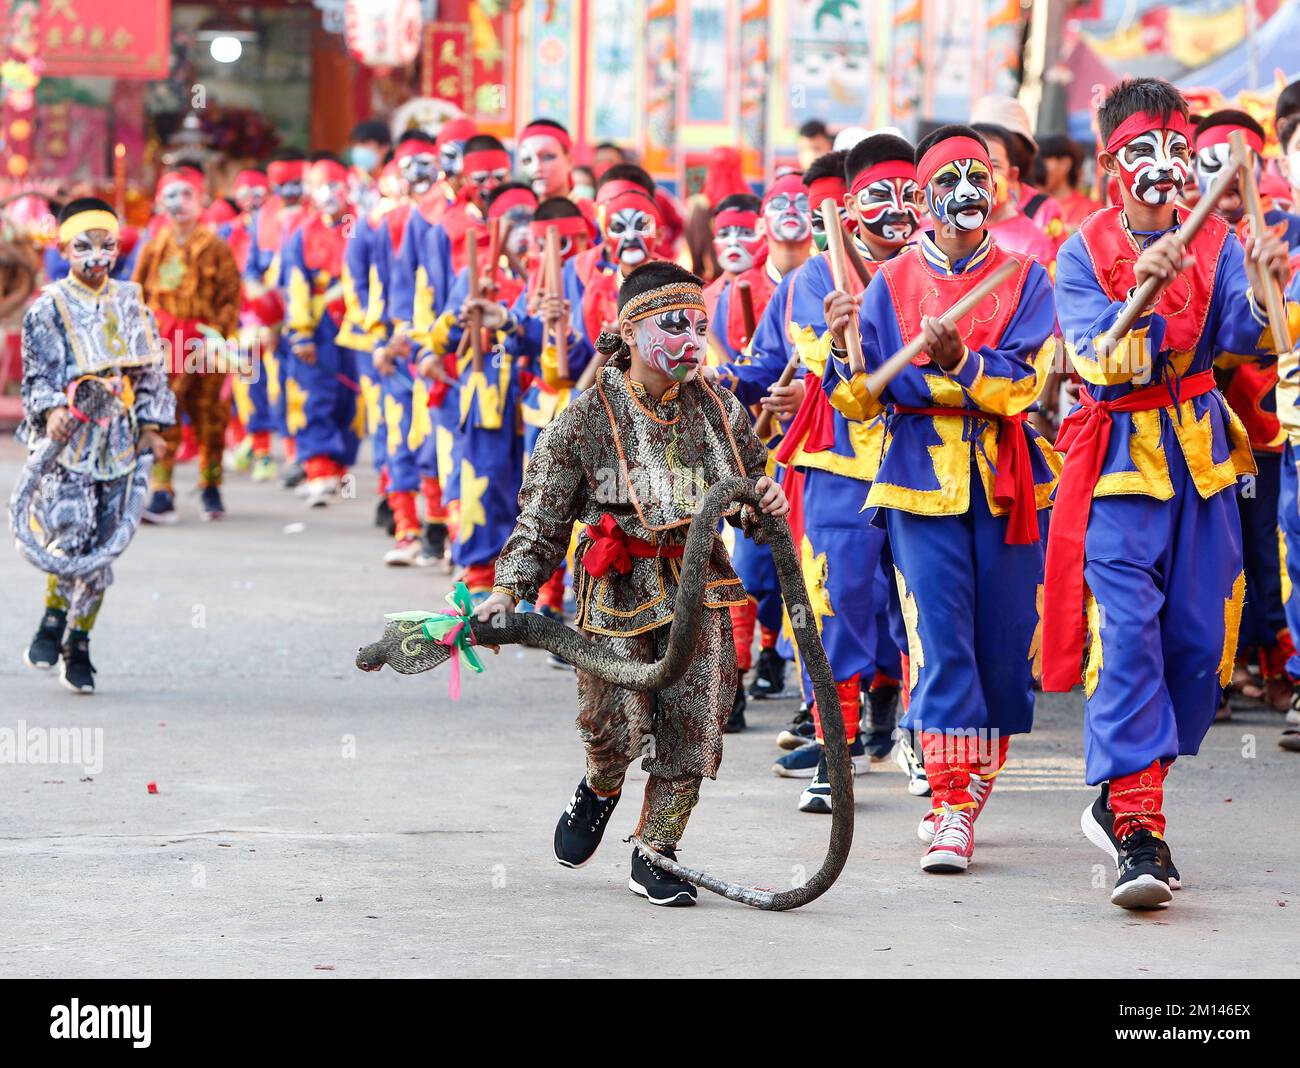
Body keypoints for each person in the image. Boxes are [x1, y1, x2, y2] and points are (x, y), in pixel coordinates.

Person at [1043, 78, 1296, 908]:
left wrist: (1266, 286)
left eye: (1176, 152)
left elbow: (1249, 341)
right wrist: (1135, 296)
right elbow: (1094, 359)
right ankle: (1139, 829)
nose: (1165, 168)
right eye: (1145, 152)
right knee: (1128, 640)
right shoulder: (1080, 249)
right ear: (1115, 161)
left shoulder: (1219, 237)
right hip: (1115, 464)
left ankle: (1125, 790)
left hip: (1200, 460)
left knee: (1197, 643)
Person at [477, 260, 788, 906]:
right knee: (614, 724)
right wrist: (509, 591)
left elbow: (752, 490)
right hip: (617, 589)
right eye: (675, 325)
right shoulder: (586, 417)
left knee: (697, 720)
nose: (692, 341)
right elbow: (541, 519)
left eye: (701, 326)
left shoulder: (720, 408)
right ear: (631, 330)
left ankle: (657, 850)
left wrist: (766, 502)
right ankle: (601, 783)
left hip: (698, 586)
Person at [825, 125, 1059, 875]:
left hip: (1007, 480)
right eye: (948, 178)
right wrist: (845, 350)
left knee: (1002, 646)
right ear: (923, 197)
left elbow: (1024, 386)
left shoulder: (1027, 277)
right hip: (920, 480)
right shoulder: (889, 285)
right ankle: (950, 805)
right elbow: (860, 402)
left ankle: (968, 791)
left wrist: (960, 365)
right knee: (941, 639)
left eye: (978, 174)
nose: (966, 189)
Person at [15, 198, 174, 693]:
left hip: (118, 444)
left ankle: (78, 642)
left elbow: (150, 371)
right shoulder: (47, 309)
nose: (96, 256)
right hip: (67, 442)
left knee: (104, 550)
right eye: (84, 245)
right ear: (64, 249)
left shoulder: (130, 303)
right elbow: (36, 375)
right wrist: (51, 409)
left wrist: (152, 425)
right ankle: (53, 612)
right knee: (72, 529)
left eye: (107, 245)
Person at [134, 167, 241, 523]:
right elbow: (138, 294)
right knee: (163, 413)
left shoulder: (216, 247)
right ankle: (162, 490)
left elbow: (229, 297)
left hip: (205, 340)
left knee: (210, 414)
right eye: (171, 196)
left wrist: (219, 336)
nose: (179, 204)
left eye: (187, 195)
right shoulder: (154, 247)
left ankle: (211, 484)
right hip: (165, 340)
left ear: (201, 201)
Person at [283, 157, 362, 508]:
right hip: (319, 327)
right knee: (316, 395)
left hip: (357, 324)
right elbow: (296, 285)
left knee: (352, 400)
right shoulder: (302, 233)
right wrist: (300, 332)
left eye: (334, 185)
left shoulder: (361, 226)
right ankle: (318, 469)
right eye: (320, 187)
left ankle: (340, 467)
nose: (328, 194)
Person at [971, 122, 1056, 266]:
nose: (982, 176)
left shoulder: (1032, 241)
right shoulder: (934, 233)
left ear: (1011, 175)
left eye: (995, 166)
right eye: (973, 165)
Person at [1037, 134, 1099, 232]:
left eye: (1043, 161)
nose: (1038, 167)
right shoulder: (1033, 205)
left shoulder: (1092, 211)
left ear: (1065, 164)